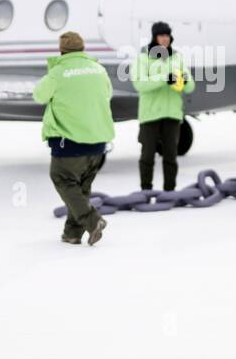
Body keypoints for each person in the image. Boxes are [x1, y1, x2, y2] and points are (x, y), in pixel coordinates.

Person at [33, 31, 115, 245]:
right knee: (81, 190)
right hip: (98, 144)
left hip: (70, 142)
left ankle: (93, 220)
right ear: (82, 48)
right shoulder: (98, 69)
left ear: (62, 50)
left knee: (62, 179)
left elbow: (39, 95)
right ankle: (72, 234)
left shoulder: (58, 72)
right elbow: (108, 94)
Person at [133, 21, 195, 191]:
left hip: (172, 114)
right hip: (150, 114)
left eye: (167, 35)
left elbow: (190, 86)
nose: (165, 39)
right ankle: (146, 190)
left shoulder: (177, 57)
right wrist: (164, 79)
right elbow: (139, 84)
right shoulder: (143, 58)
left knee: (171, 157)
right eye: (161, 35)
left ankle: (170, 190)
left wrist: (181, 80)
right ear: (154, 37)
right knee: (147, 156)